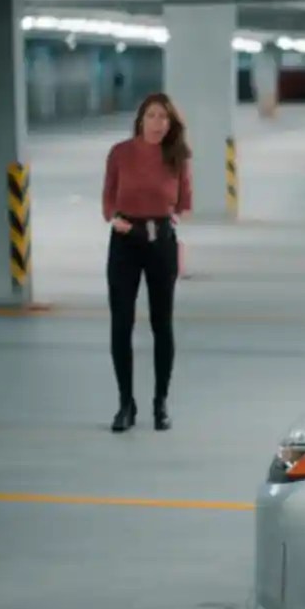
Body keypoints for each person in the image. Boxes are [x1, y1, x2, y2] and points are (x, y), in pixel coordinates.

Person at [101, 93, 192, 432]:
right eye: (152, 116)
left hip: (161, 242)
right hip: (125, 241)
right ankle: (125, 403)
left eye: (164, 118)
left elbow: (185, 200)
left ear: (171, 124)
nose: (158, 123)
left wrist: (172, 220)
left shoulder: (177, 156)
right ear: (141, 120)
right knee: (121, 323)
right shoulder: (120, 153)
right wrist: (114, 218)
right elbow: (108, 197)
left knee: (161, 323)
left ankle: (160, 403)